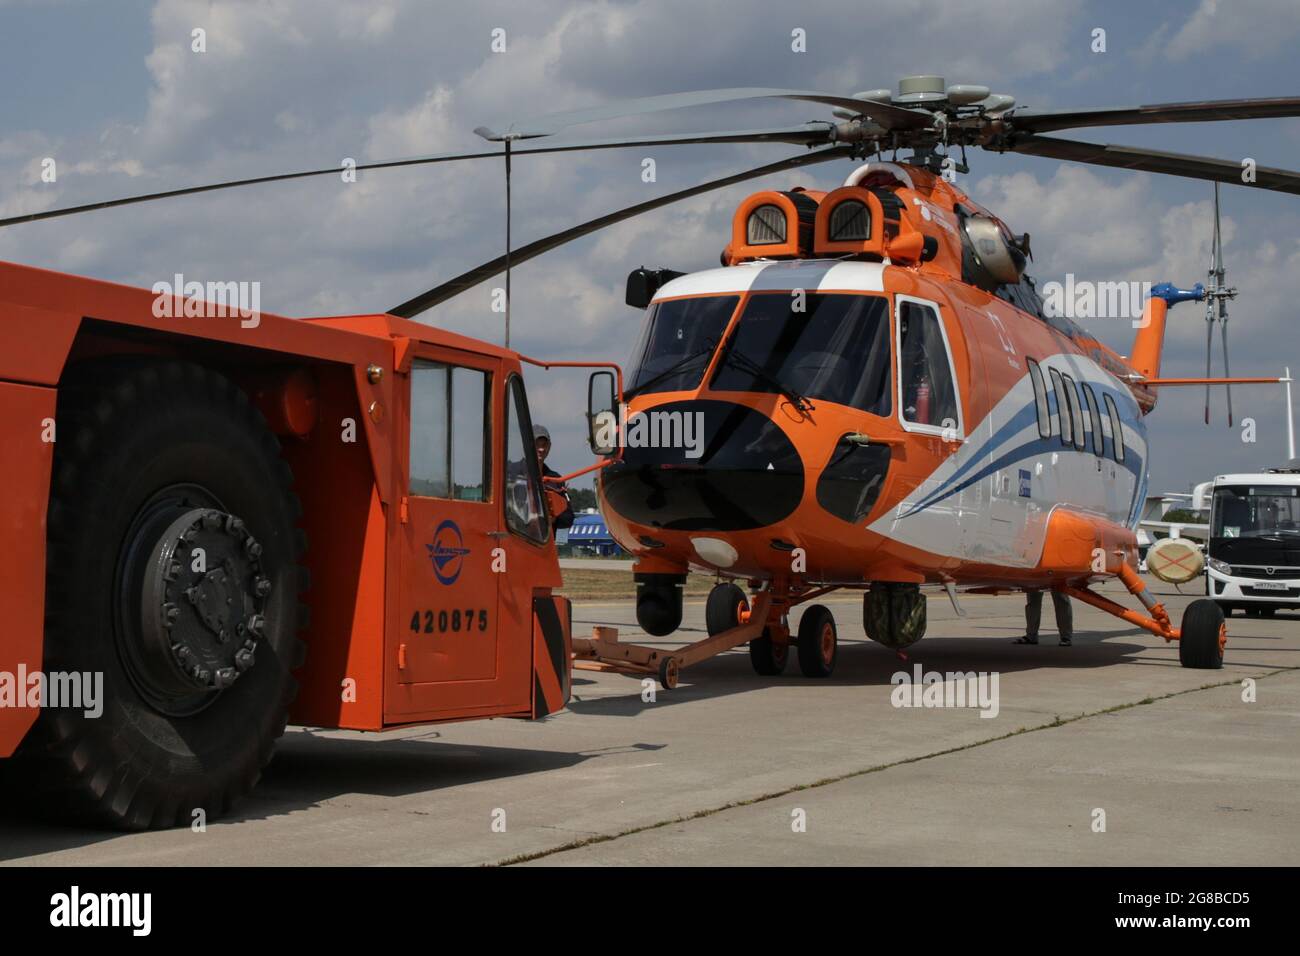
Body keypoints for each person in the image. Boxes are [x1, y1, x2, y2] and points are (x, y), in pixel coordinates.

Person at [534, 425, 574, 530]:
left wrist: (554, 518)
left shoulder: (556, 480)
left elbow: (568, 518)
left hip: (545, 544)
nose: (541, 449)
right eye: (537, 444)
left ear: (550, 446)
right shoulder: (513, 474)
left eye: (544, 445)